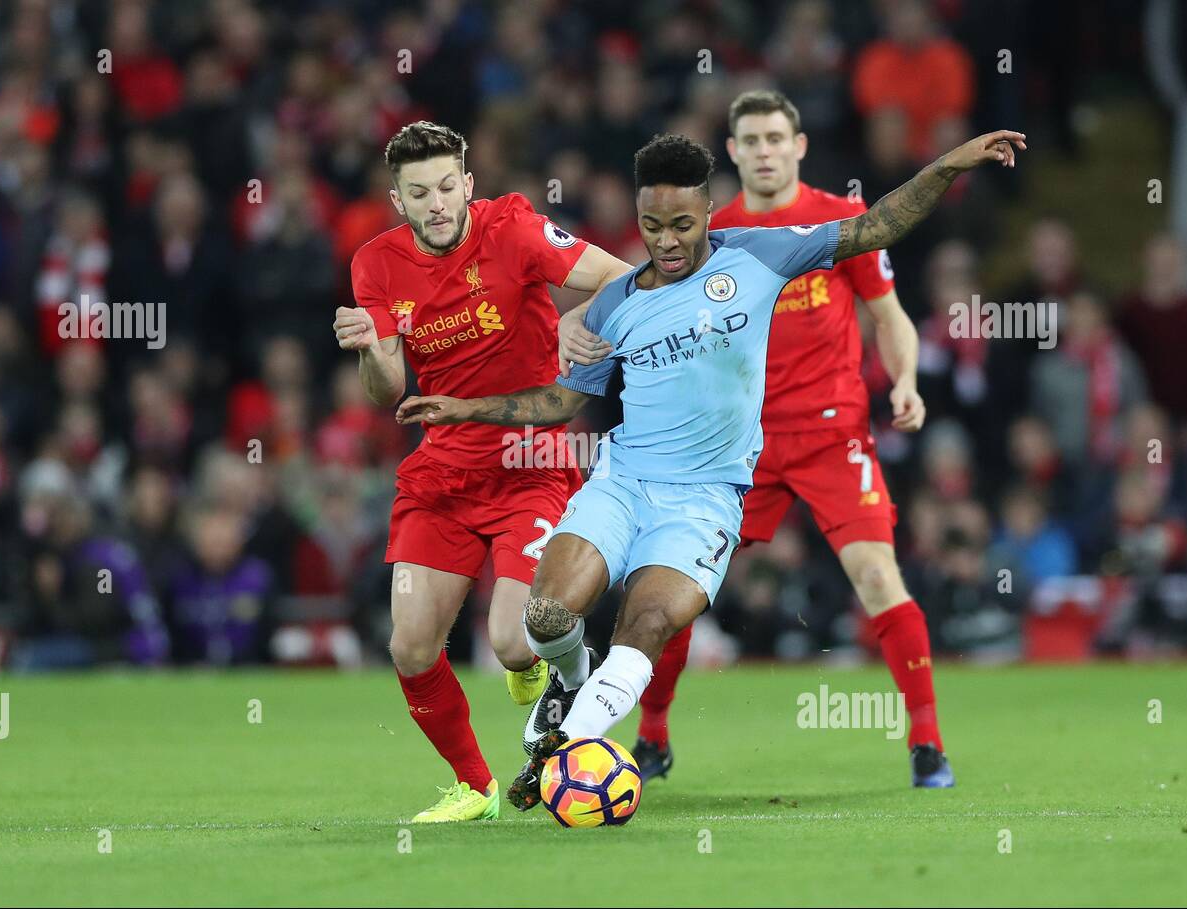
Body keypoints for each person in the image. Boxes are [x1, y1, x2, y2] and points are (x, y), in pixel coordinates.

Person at [398, 126, 1027, 809]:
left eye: (681, 224)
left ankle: (560, 749)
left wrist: (948, 165)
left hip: (702, 503)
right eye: (650, 226)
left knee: (645, 623)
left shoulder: (760, 256)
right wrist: (467, 407)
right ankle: (572, 679)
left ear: (708, 212)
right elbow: (558, 401)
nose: (665, 241)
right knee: (544, 617)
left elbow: (875, 225)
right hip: (622, 484)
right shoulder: (615, 304)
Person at [563, 90, 950, 788]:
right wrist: (574, 322)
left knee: (875, 575)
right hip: (732, 450)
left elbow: (888, 314)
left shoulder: (833, 219)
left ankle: (927, 741)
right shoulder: (710, 232)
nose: (766, 150)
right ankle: (651, 735)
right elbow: (633, 298)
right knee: (669, 590)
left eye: (778, 137)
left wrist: (906, 380)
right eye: (752, 139)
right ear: (733, 153)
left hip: (833, 432)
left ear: (798, 146)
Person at [334, 121, 643, 822]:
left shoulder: (514, 229)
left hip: (529, 461)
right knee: (410, 646)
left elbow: (625, 279)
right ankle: (474, 785)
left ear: (468, 184)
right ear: (398, 200)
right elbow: (387, 392)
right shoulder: (375, 265)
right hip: (441, 471)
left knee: (510, 639)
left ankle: (563, 666)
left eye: (447, 187)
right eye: (420, 193)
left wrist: (581, 315)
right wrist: (368, 351)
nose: (437, 204)